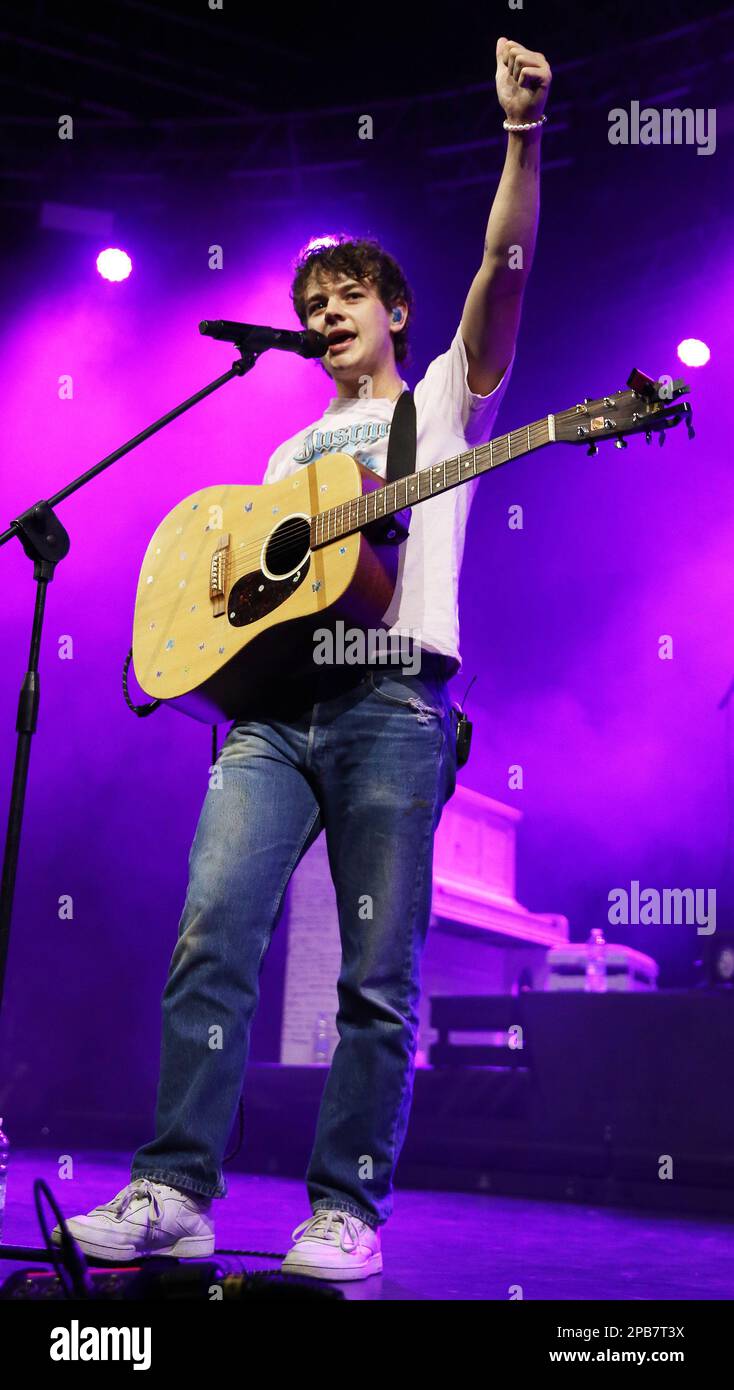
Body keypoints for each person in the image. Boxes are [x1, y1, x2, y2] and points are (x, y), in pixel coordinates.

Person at [52, 37, 551, 1281]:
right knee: (211, 933)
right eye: (310, 301)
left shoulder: (440, 401)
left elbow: (502, 269)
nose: (323, 311)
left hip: (392, 702)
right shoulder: (286, 459)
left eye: (347, 295)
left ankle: (345, 1209)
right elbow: (243, 592)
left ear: (393, 312)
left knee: (377, 972)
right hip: (273, 719)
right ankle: (175, 1189)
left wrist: (519, 137)